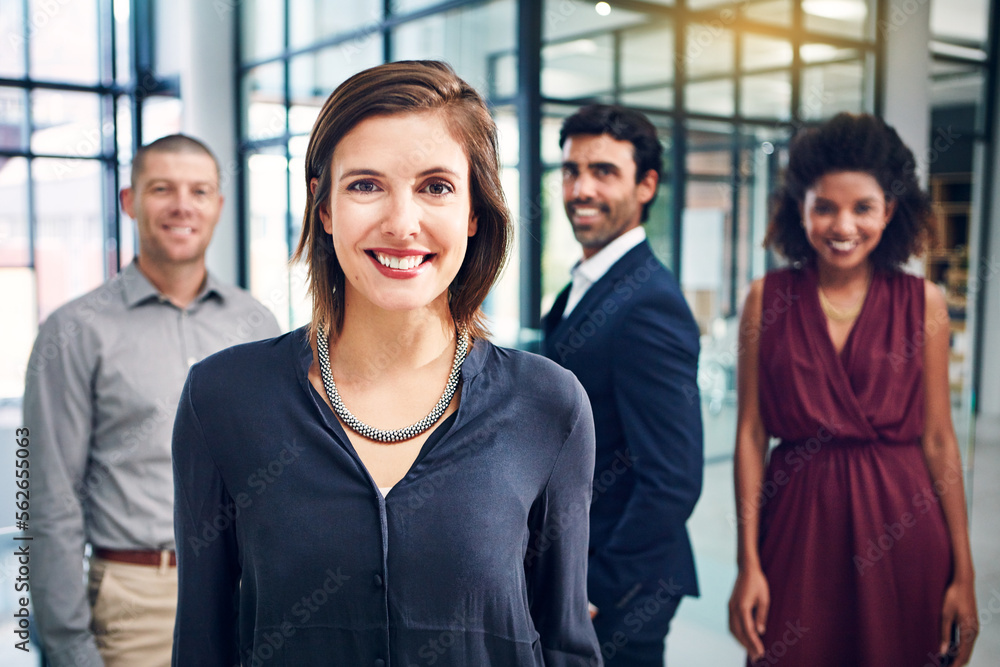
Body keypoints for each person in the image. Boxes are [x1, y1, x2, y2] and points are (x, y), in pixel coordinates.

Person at [171, 60, 601, 666]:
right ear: (323, 207)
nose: (402, 224)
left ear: (474, 212)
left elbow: (564, 645)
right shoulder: (223, 397)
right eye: (366, 185)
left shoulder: (549, 405)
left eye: (436, 187)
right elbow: (201, 645)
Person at [727, 112, 978, 666]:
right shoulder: (766, 299)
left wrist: (964, 572)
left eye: (862, 207)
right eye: (825, 207)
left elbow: (940, 439)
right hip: (798, 527)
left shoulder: (925, 303)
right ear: (800, 208)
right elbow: (750, 434)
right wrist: (748, 563)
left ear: (890, 211)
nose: (843, 225)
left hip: (905, 527)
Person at [24, 134, 281, 666]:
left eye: (199, 191)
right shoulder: (74, 331)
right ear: (129, 201)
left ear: (218, 205)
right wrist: (68, 646)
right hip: (134, 604)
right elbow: (48, 499)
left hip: (247, 596)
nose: (183, 205)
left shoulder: (257, 324)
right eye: (162, 189)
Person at [542, 104, 704, 666]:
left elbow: (673, 477)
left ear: (646, 186)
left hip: (618, 590)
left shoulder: (650, 303)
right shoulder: (588, 283)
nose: (581, 189)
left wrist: (596, 586)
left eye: (604, 171)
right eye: (572, 170)